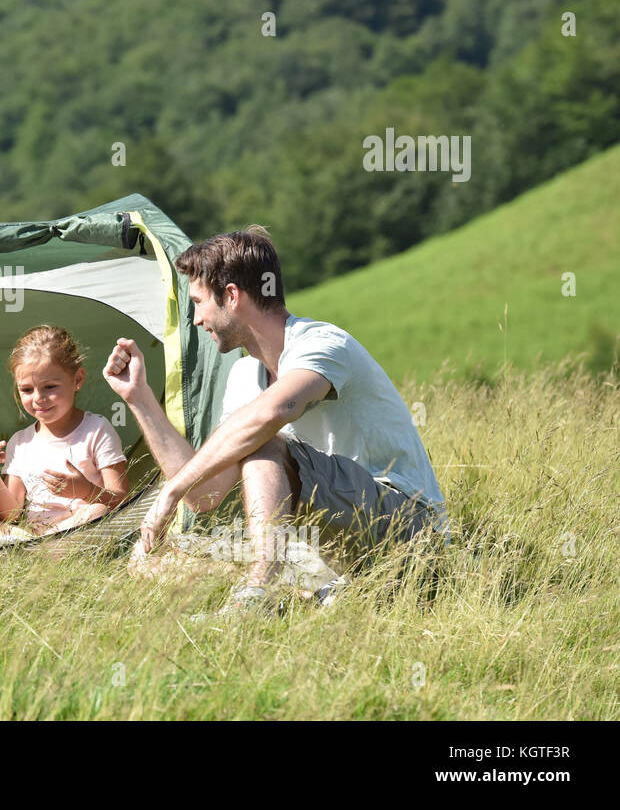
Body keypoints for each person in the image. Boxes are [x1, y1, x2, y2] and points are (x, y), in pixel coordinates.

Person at [102, 227, 448, 614]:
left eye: (199, 303)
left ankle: (259, 594)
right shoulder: (242, 377)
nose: (197, 320)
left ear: (232, 296)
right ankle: (321, 592)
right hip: (323, 534)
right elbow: (206, 494)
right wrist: (140, 399)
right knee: (153, 559)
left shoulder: (323, 343)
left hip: (406, 526)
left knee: (264, 441)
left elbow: (274, 413)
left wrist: (170, 492)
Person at [0, 326, 130, 545]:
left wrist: (86, 490)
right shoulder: (20, 442)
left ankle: (28, 551)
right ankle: (29, 549)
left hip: (79, 532)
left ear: (78, 379)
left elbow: (121, 500)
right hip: (30, 538)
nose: (38, 398)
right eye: (27, 390)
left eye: (49, 387)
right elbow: (10, 515)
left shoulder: (96, 430)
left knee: (97, 511)